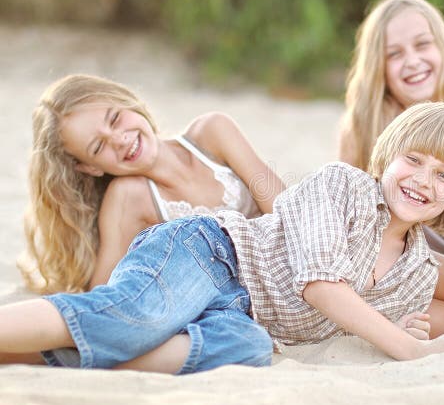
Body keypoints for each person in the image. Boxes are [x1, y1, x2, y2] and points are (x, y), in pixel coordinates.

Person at [0, 102, 444, 374]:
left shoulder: (416, 270)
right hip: (210, 252)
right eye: (416, 161)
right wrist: (406, 347)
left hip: (245, 312)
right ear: (386, 158)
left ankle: (51, 353)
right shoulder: (343, 186)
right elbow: (318, 280)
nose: (425, 180)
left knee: (246, 348)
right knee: (136, 315)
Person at [19, 74, 285, 294]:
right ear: (90, 167)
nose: (119, 139)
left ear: (128, 102)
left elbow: (283, 206)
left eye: (115, 119)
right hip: (236, 299)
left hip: (286, 263)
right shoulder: (129, 196)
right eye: (99, 146)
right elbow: (103, 295)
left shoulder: (213, 132)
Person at [338, 0, 444, 263]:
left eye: (422, 44)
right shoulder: (364, 131)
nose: (412, 61)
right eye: (394, 54)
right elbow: (346, 221)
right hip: (411, 270)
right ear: (380, 69)